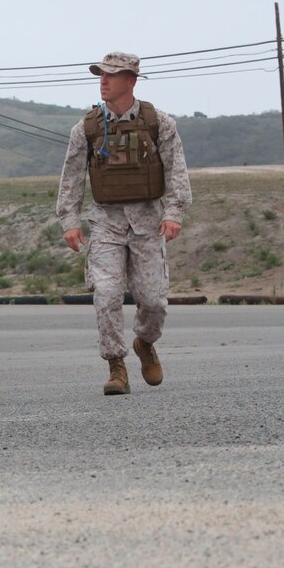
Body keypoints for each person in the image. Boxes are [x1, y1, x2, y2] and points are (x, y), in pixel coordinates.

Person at [56, 52, 191, 395]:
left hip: (148, 222)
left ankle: (145, 342)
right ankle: (116, 366)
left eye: (111, 76)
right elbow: (71, 177)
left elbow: (177, 170)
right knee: (106, 294)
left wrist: (174, 213)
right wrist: (70, 220)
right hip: (106, 223)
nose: (103, 80)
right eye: (100, 75)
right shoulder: (85, 128)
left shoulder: (158, 122)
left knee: (154, 301)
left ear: (130, 80)